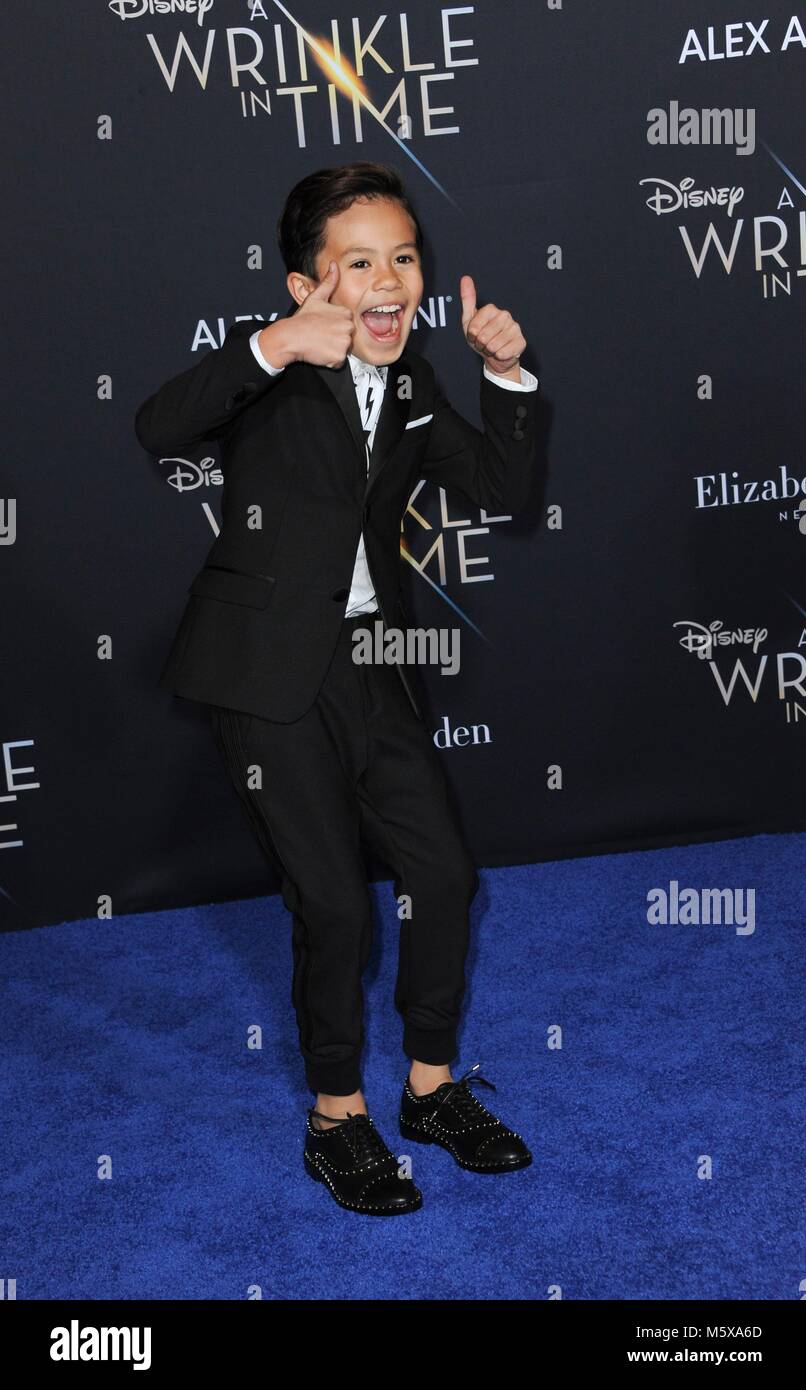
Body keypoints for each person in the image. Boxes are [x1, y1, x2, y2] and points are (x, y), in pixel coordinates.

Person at [135, 161, 539, 1216]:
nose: (387, 280)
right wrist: (271, 348)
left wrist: (505, 376)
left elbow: (500, 488)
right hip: (265, 680)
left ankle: (430, 1091)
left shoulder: (410, 382)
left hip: (372, 664)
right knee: (331, 904)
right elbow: (157, 427)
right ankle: (335, 1116)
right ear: (307, 285)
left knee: (444, 874)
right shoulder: (264, 369)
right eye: (356, 262)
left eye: (401, 257)